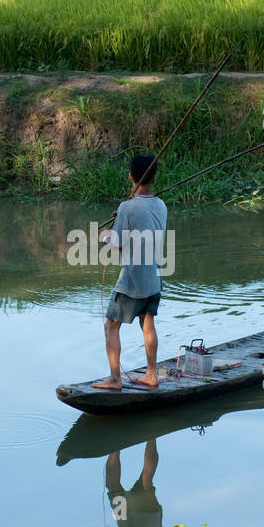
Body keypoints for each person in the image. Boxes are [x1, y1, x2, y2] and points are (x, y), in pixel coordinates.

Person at [91, 154, 168, 390]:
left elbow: (117, 244)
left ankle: (115, 379)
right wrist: (122, 220)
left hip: (133, 280)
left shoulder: (127, 207)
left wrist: (103, 235)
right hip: (155, 277)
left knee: (110, 325)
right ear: (154, 179)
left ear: (130, 177)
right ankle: (151, 375)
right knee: (148, 323)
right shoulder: (161, 205)